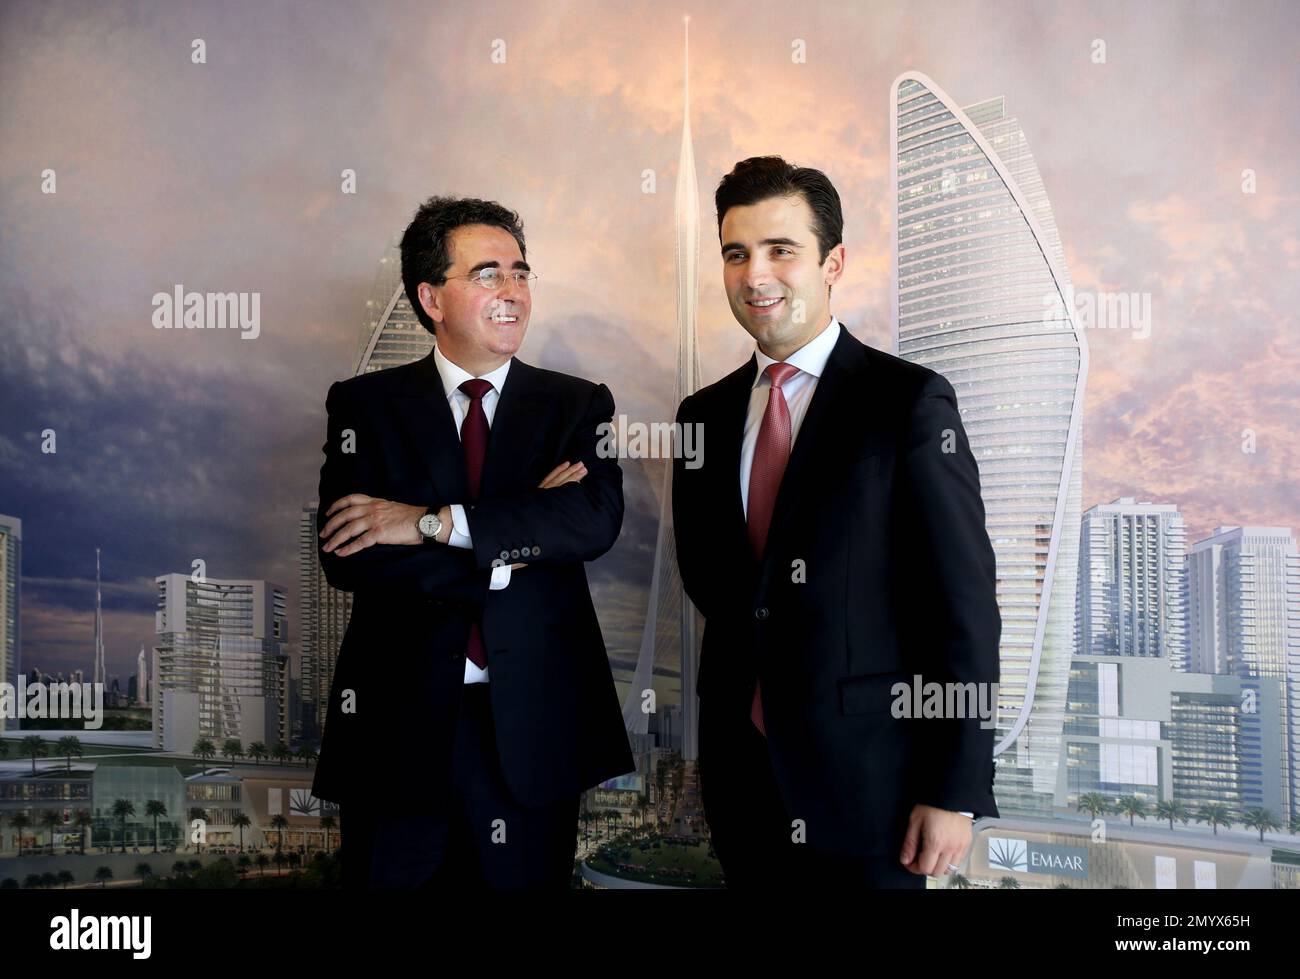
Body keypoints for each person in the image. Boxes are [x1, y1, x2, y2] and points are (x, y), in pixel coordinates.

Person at [673, 157, 1001, 888]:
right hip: (742, 784)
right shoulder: (701, 417)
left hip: (875, 790)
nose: (755, 274)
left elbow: (963, 607)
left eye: (780, 249)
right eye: (736, 253)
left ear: (833, 263)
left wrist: (954, 788)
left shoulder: (908, 402)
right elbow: (715, 585)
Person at [312, 195, 634, 888]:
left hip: (532, 733)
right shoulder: (365, 406)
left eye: (520, 272)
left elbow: (592, 523)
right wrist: (521, 536)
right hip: (397, 734)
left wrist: (428, 522)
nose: (512, 290)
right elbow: (350, 555)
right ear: (431, 297)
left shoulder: (577, 405)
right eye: (488, 274)